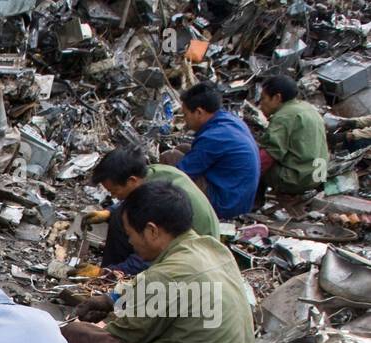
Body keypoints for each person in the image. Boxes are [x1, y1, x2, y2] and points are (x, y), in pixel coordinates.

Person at [64, 182, 254, 343]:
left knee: (79, 337)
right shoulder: (211, 249)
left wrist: (93, 327)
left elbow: (123, 336)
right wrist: (111, 299)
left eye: (131, 235)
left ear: (152, 231)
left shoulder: (167, 276)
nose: (130, 242)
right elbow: (157, 286)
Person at [89, 146, 219, 275]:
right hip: (193, 239)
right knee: (119, 215)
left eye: (115, 191)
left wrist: (107, 272)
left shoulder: (158, 203)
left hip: (200, 252)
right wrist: (109, 212)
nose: (114, 196)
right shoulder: (152, 173)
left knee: (120, 221)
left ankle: (112, 278)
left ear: (131, 180)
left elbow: (152, 249)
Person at [161, 82, 260, 220]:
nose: (184, 121)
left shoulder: (213, 137)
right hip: (239, 197)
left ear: (199, 112)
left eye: (185, 115)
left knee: (170, 157)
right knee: (182, 148)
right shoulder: (229, 120)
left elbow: (181, 172)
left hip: (225, 204)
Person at [257, 73, 329, 197]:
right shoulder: (308, 108)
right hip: (319, 176)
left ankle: (251, 202)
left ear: (277, 98)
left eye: (263, 98)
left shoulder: (284, 116)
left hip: (299, 179)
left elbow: (270, 155)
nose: (260, 104)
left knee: (251, 162)